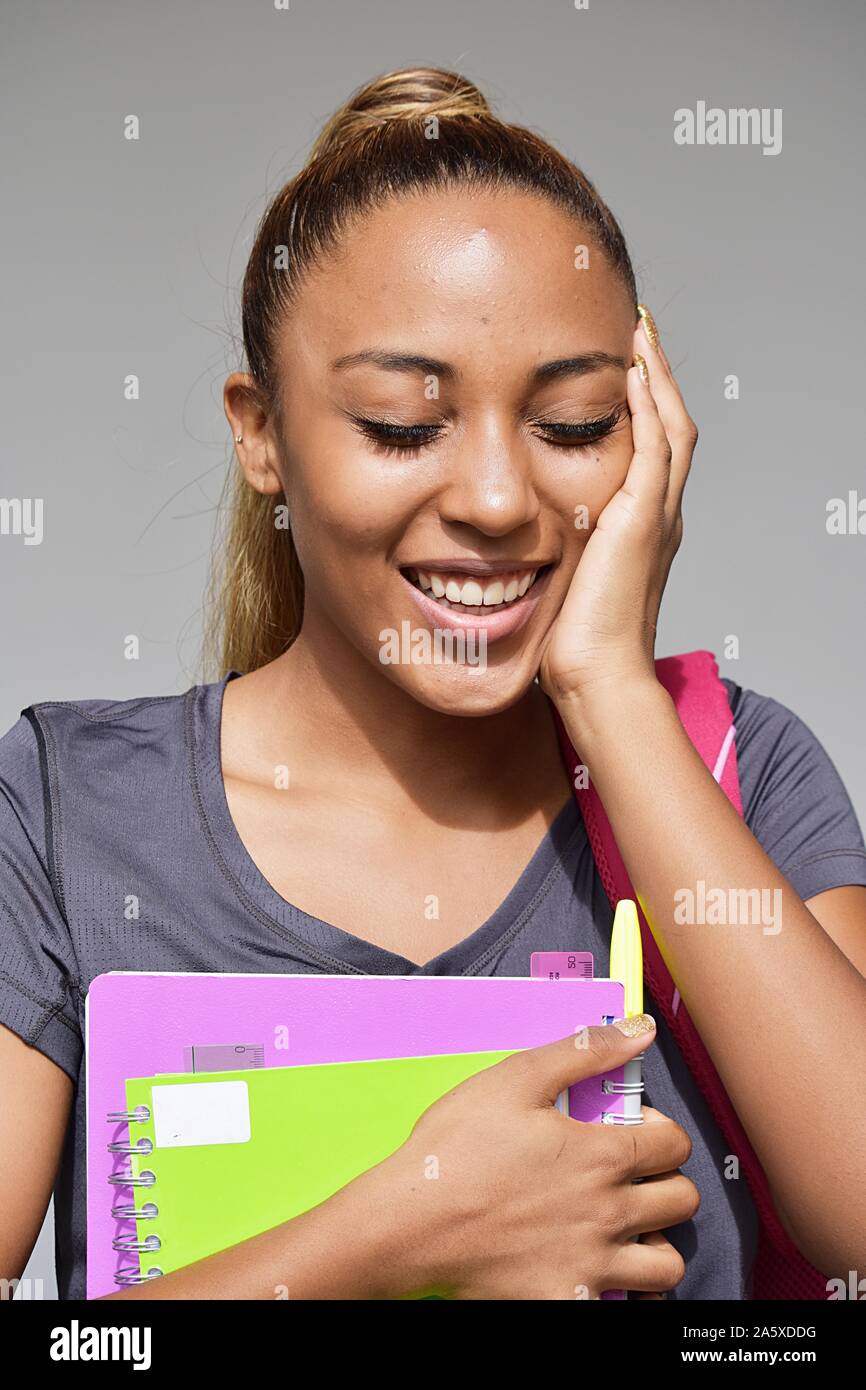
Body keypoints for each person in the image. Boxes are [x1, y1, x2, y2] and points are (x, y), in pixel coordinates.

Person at [2, 67, 866, 1302]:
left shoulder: (737, 775)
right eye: (404, 428)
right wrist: (399, 1234)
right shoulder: (61, 808)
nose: (501, 501)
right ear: (261, 435)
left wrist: (610, 689)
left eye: (571, 424)